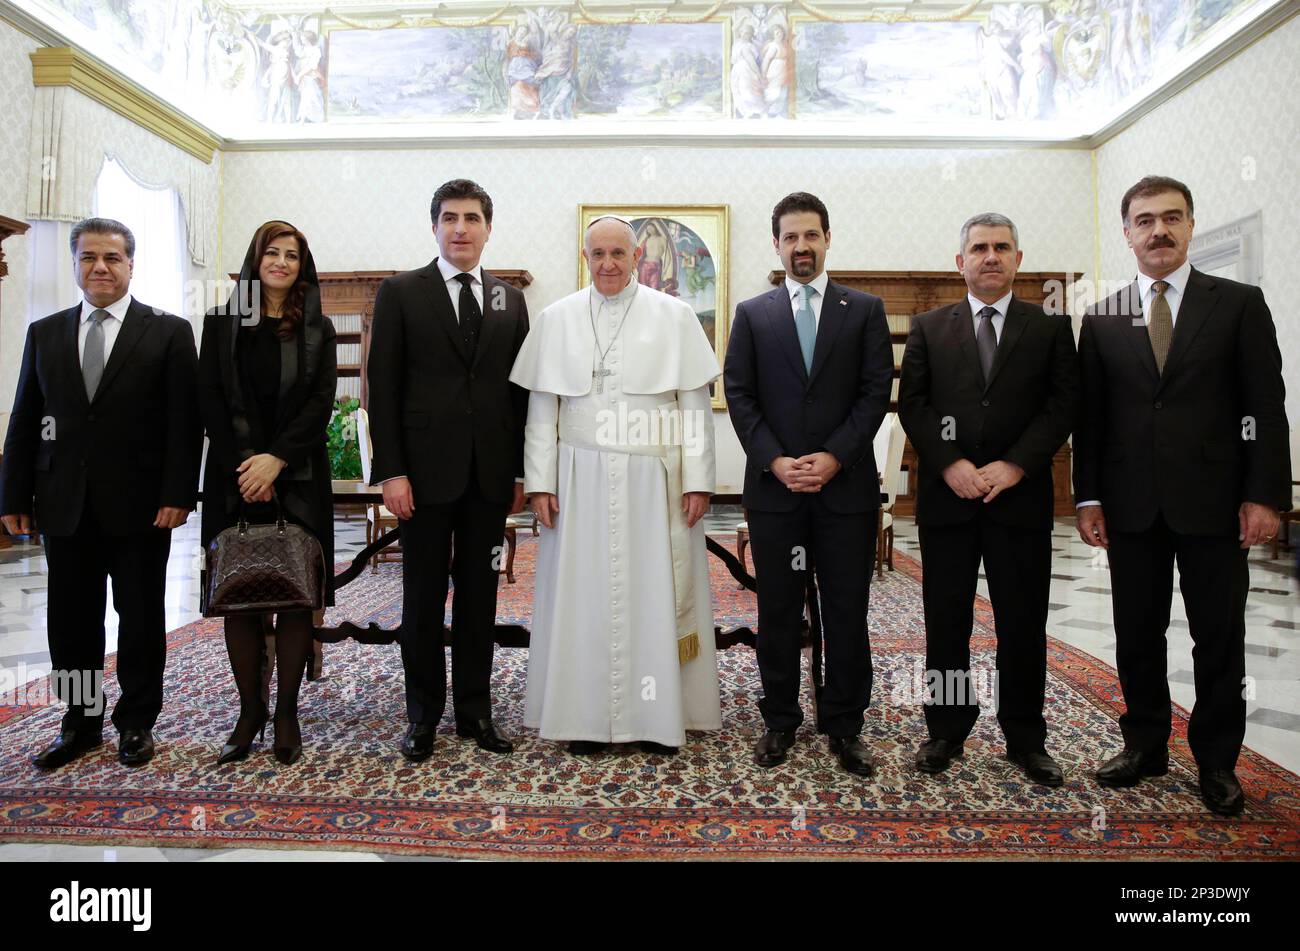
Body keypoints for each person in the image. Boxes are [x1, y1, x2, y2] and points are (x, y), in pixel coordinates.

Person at [1075, 176, 1290, 816]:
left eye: (1171, 218)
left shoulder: (1239, 304)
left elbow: (1266, 408)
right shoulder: (1104, 316)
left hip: (1216, 505)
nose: (1158, 230)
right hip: (1130, 505)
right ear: (1127, 233)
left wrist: (1264, 496)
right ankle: (1144, 745)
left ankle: (1217, 761)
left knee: (1216, 636)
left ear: (1191, 226)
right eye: (1144, 220)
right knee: (1136, 632)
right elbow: (1091, 420)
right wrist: (1088, 497)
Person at [509, 216, 721, 755]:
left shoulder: (673, 316)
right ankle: (582, 717)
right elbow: (541, 410)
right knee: (582, 597)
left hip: (655, 480)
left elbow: (694, 408)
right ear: (585, 257)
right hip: (577, 478)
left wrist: (698, 479)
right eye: (597, 254)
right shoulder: (556, 319)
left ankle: (655, 718)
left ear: (636, 259)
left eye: (618, 254)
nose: (608, 264)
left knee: (653, 593)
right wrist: (539, 482)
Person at [0, 217, 202, 769]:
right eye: (88, 257)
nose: (100, 267)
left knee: (138, 618)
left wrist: (178, 492)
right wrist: (13, 497)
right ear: (75, 265)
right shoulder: (45, 332)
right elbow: (25, 418)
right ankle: (80, 724)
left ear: (131, 265)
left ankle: (136, 725)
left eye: (112, 258)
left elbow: (185, 424)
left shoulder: (167, 331)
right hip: (64, 505)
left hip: (141, 508)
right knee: (71, 622)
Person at [898, 212, 1079, 785]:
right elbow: (914, 405)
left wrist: (1017, 464)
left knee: (1022, 624)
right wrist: (949, 463)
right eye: (979, 248)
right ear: (961, 262)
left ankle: (1026, 736)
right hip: (948, 500)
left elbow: (1061, 406)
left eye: (1002, 247)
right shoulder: (929, 327)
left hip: (1018, 501)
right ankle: (946, 729)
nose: (991, 256)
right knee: (945, 621)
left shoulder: (1050, 328)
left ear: (1018, 260)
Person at [724, 192, 893, 776]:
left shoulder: (864, 309)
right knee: (777, 610)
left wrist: (833, 457)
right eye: (790, 237)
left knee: (847, 609)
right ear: (777, 244)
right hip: (775, 492)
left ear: (827, 238)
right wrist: (775, 461)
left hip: (844, 492)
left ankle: (845, 724)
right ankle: (779, 721)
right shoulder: (753, 313)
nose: (802, 247)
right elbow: (739, 395)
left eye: (811, 236)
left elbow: (876, 393)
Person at [367, 179, 530, 760]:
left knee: (481, 599)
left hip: (488, 481)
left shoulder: (510, 300)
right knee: (422, 599)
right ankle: (422, 717)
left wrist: (518, 474)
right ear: (434, 226)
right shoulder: (401, 293)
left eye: (472, 218)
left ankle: (476, 713)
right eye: (450, 218)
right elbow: (380, 389)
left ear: (488, 227)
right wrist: (391, 471)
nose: (461, 228)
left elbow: (521, 395)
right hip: (423, 480)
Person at [198, 220, 336, 766]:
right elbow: (210, 400)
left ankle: (286, 714)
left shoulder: (318, 330)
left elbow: (319, 404)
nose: (281, 262)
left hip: (298, 476)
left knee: (296, 594)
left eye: (292, 256)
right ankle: (249, 709)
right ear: (255, 260)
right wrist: (249, 465)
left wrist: (277, 459)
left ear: (303, 267)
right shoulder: (219, 324)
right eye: (272, 253)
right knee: (242, 590)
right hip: (234, 477)